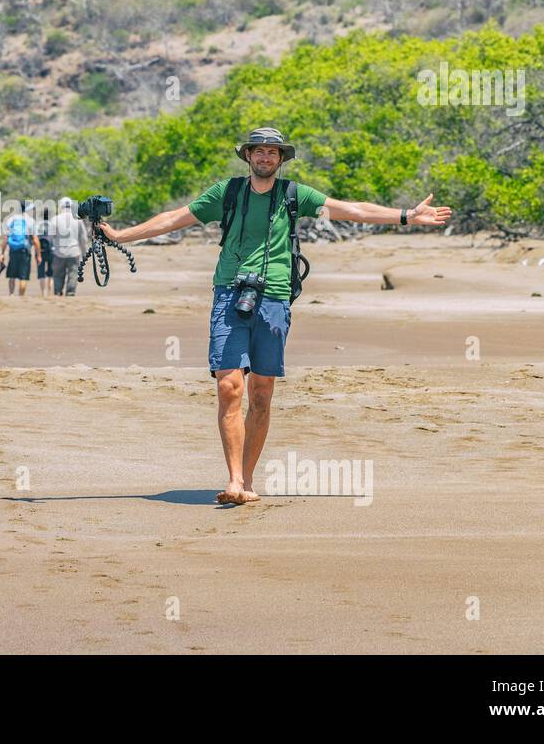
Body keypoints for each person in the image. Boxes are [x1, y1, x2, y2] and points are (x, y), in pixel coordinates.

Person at [97, 127, 452, 506]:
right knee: (229, 386)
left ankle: (248, 481)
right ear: (248, 156)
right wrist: (121, 236)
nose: (265, 157)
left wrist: (406, 216)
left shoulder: (294, 196)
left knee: (262, 393)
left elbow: (353, 210)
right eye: (259, 151)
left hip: (275, 298)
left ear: (281, 159)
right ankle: (234, 480)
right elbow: (174, 218)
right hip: (230, 293)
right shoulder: (227, 193)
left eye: (272, 152)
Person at [50, 196, 90, 296]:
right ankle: (70, 293)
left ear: (60, 206)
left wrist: (53, 248)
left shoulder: (55, 219)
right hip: (74, 252)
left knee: (58, 274)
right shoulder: (78, 220)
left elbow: (51, 237)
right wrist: (84, 253)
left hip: (59, 252)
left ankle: (58, 292)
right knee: (73, 274)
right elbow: (83, 238)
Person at [0, 201, 40, 296]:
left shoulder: (11, 219)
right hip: (25, 251)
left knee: (12, 275)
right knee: (23, 277)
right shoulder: (30, 221)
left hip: (13, 250)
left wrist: (2, 253)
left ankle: (11, 294)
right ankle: (21, 296)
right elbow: (35, 240)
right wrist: (38, 255)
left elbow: (5, 238)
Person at [36, 206, 55, 297]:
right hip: (51, 251)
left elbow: (36, 238)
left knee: (41, 274)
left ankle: (43, 293)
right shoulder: (52, 224)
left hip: (40, 250)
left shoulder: (38, 225)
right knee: (51, 274)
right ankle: (50, 292)